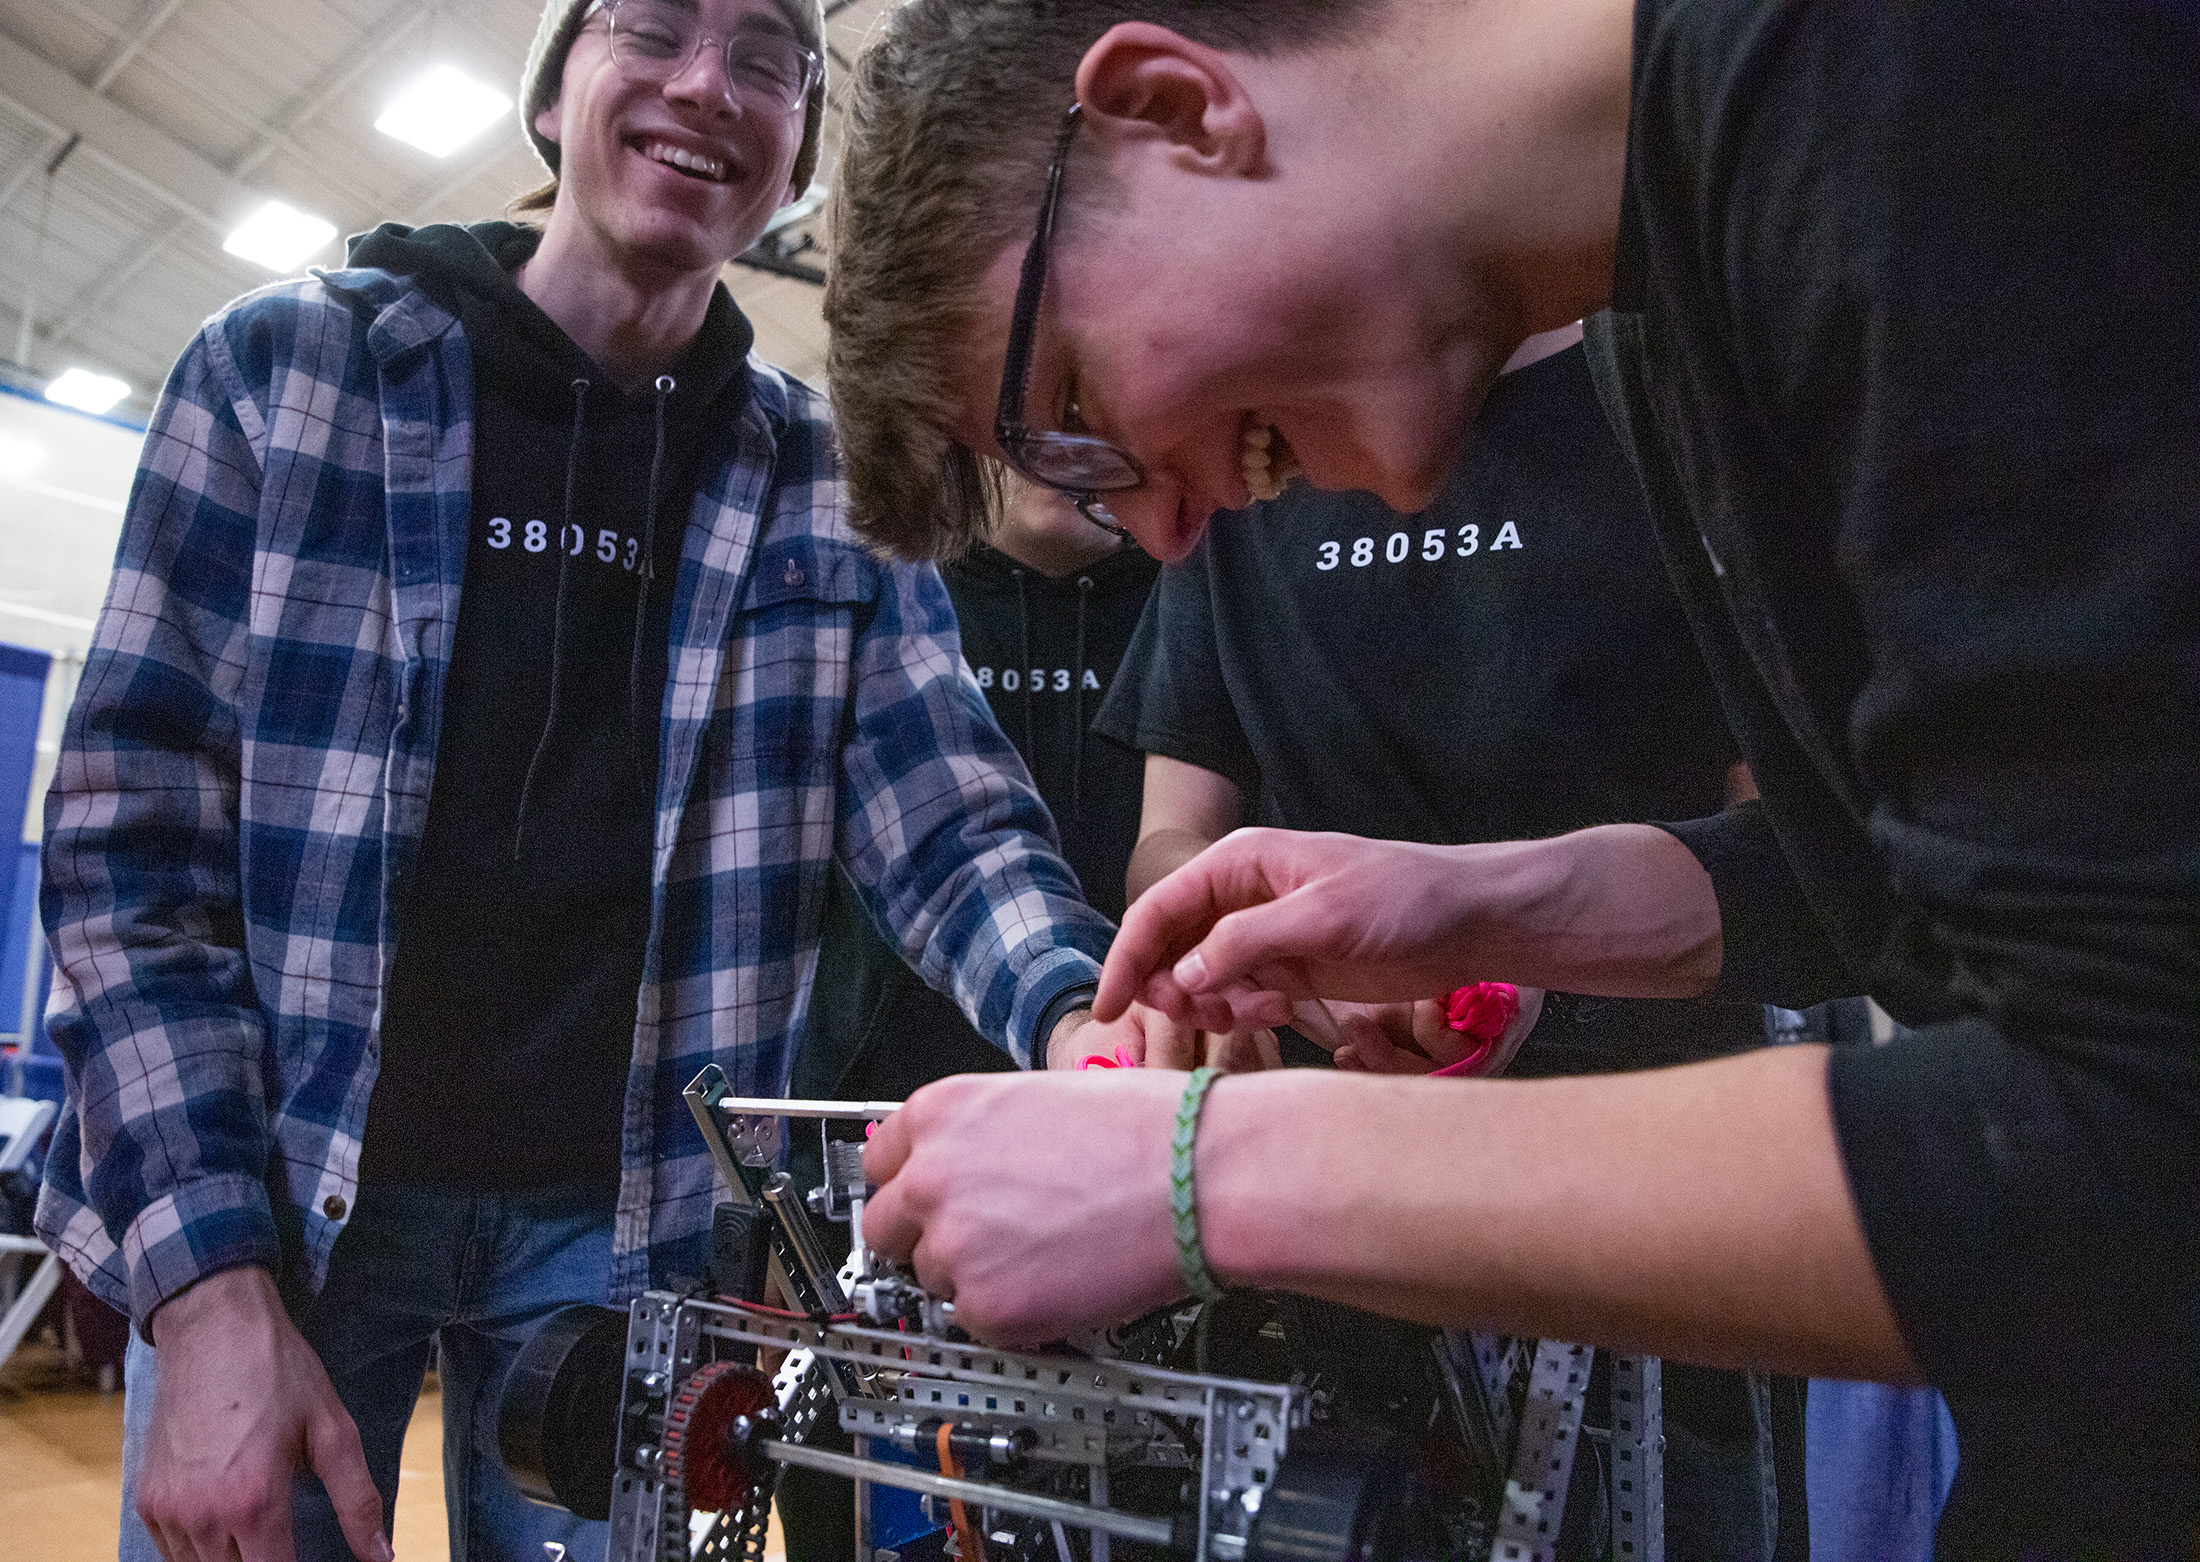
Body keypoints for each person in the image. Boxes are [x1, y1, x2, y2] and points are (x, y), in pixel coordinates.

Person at [822, 2, 2199, 1554]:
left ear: (1175, 107)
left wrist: (1212, 1172)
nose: (1158, 533)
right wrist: (1493, 906)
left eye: (1073, 414)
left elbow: (2134, 1137)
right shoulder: (1670, 291)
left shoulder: (1901, 70)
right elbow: (1890, 891)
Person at [33, 3, 1145, 1559]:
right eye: (658, 27)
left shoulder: (818, 488)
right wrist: (206, 1281)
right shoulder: (286, 377)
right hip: (287, 1206)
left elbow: (952, 823)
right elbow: (121, 847)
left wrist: (1093, 1034)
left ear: (797, 158)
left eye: (768, 54)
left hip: (629, 1240)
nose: (709, 82)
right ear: (555, 92)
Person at [1099, 323, 1806, 1556]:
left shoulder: (1677, 381)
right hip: (1326, 1203)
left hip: (1655, 1188)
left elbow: (1793, 852)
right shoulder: (1256, 456)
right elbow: (1174, 831)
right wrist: (1245, 953)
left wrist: (1527, 948)